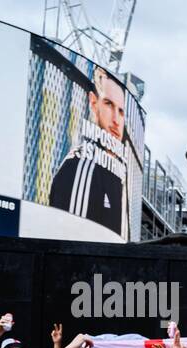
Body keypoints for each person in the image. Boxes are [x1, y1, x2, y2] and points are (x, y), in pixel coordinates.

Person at [48, 66, 128, 236]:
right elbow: (71, 240)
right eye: (108, 104)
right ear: (93, 103)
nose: (116, 120)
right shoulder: (81, 163)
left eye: (121, 111)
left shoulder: (118, 171)